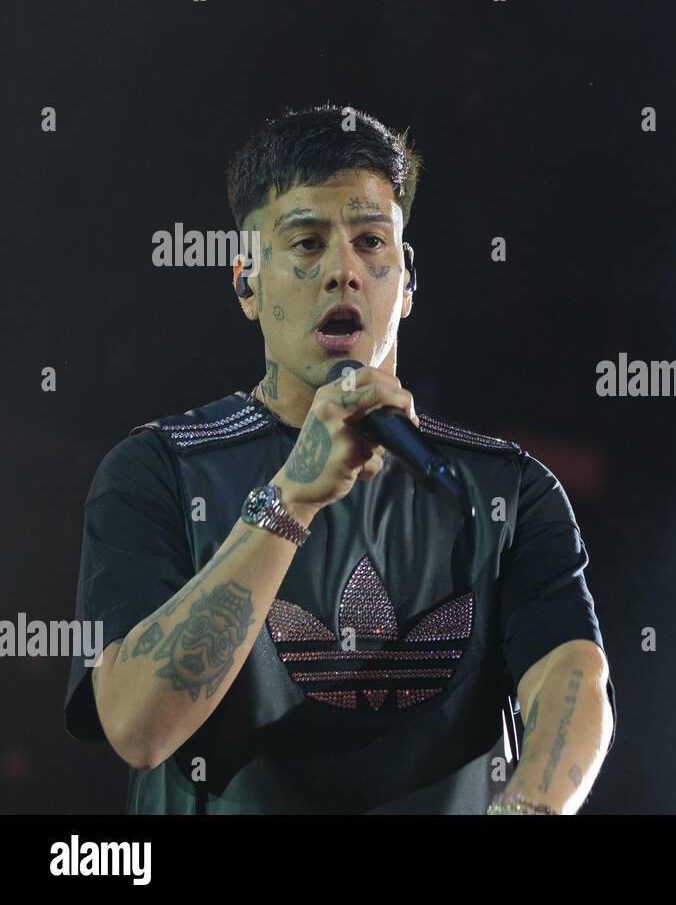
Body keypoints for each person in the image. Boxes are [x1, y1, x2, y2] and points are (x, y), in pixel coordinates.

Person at [63, 105, 615, 814]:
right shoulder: (156, 472)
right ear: (246, 282)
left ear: (406, 279)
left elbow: (572, 677)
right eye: (305, 243)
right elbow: (137, 729)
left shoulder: (508, 489)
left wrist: (532, 807)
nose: (343, 273)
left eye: (370, 242)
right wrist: (291, 496)